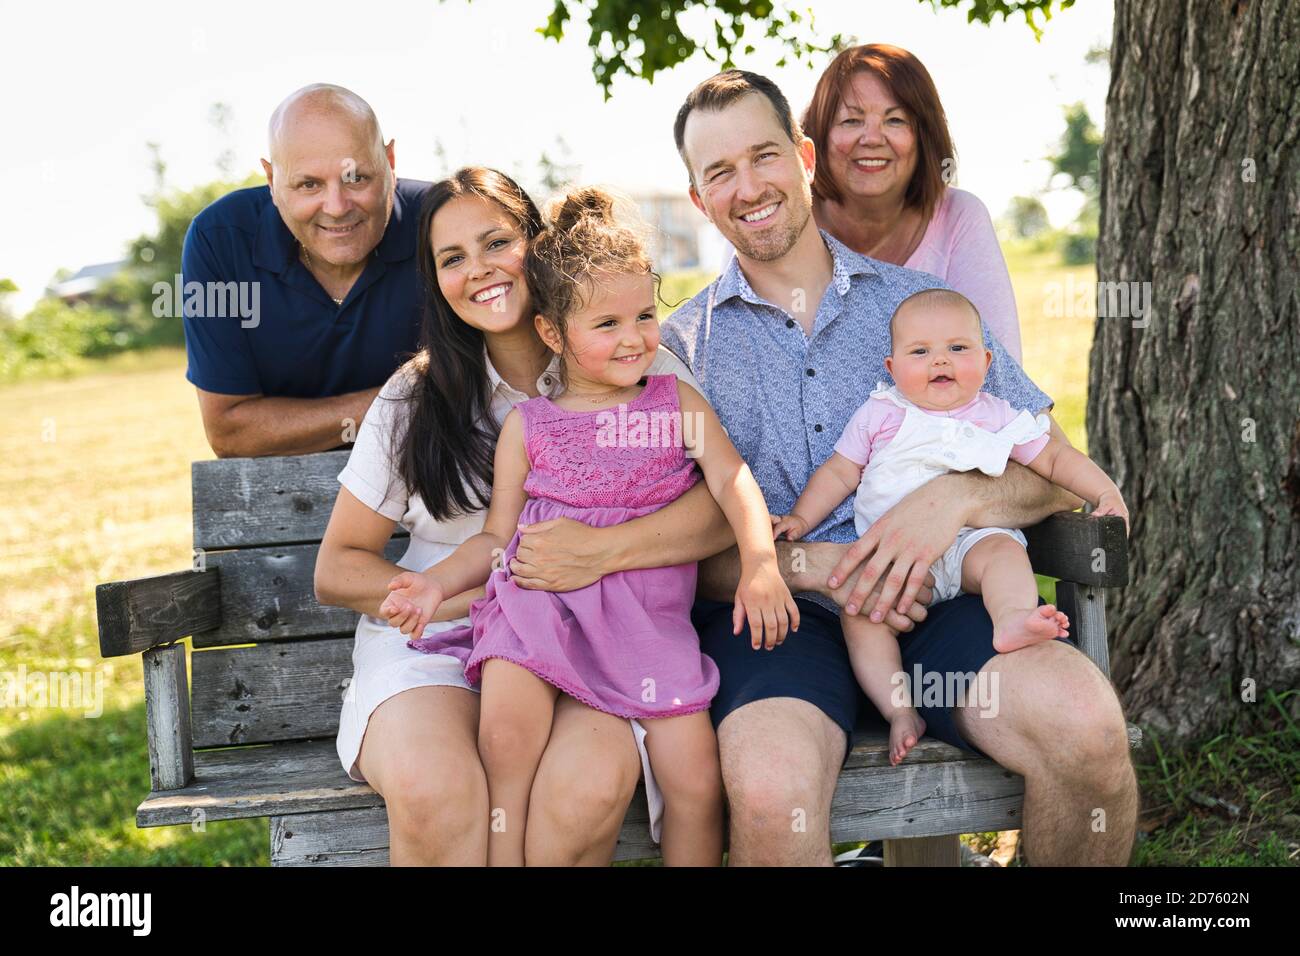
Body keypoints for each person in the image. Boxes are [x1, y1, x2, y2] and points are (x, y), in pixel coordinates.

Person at [660, 69, 1138, 866]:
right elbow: (677, 554)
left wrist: (950, 501)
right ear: (697, 195)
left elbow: (1049, 466)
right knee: (775, 796)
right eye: (719, 172)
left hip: (942, 597)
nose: (748, 187)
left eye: (765, 155)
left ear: (806, 158)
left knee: (1083, 730)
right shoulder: (680, 352)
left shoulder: (926, 308)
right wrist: (814, 563)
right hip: (780, 623)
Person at [314, 168, 735, 865]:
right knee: (435, 789)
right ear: (436, 281)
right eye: (452, 258)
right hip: (440, 643)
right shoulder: (414, 396)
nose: (478, 269)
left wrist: (600, 554)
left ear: (538, 247)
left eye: (496, 242)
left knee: (589, 788)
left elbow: (719, 504)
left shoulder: (633, 360)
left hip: (593, 632)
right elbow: (336, 569)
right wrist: (454, 599)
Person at [773, 288, 1130, 765]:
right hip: (891, 561)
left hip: (967, 547)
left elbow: (1055, 458)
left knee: (1004, 553)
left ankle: (1011, 621)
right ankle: (899, 710)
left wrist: (1104, 493)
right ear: (892, 367)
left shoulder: (996, 416)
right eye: (920, 352)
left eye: (958, 349)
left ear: (986, 362)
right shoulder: (882, 413)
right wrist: (801, 517)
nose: (940, 361)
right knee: (862, 616)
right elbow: (840, 473)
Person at [182, 83, 428, 458]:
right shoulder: (217, 240)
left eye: (356, 177)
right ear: (272, 181)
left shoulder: (444, 224)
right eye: (308, 184)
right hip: (285, 502)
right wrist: (405, 398)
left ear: (389, 163)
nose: (336, 206)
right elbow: (230, 432)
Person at [801, 44, 1024, 360]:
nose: (872, 138)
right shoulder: (788, 220)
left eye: (895, 121)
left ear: (924, 137)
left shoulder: (959, 217)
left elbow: (1002, 371)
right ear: (818, 137)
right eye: (851, 121)